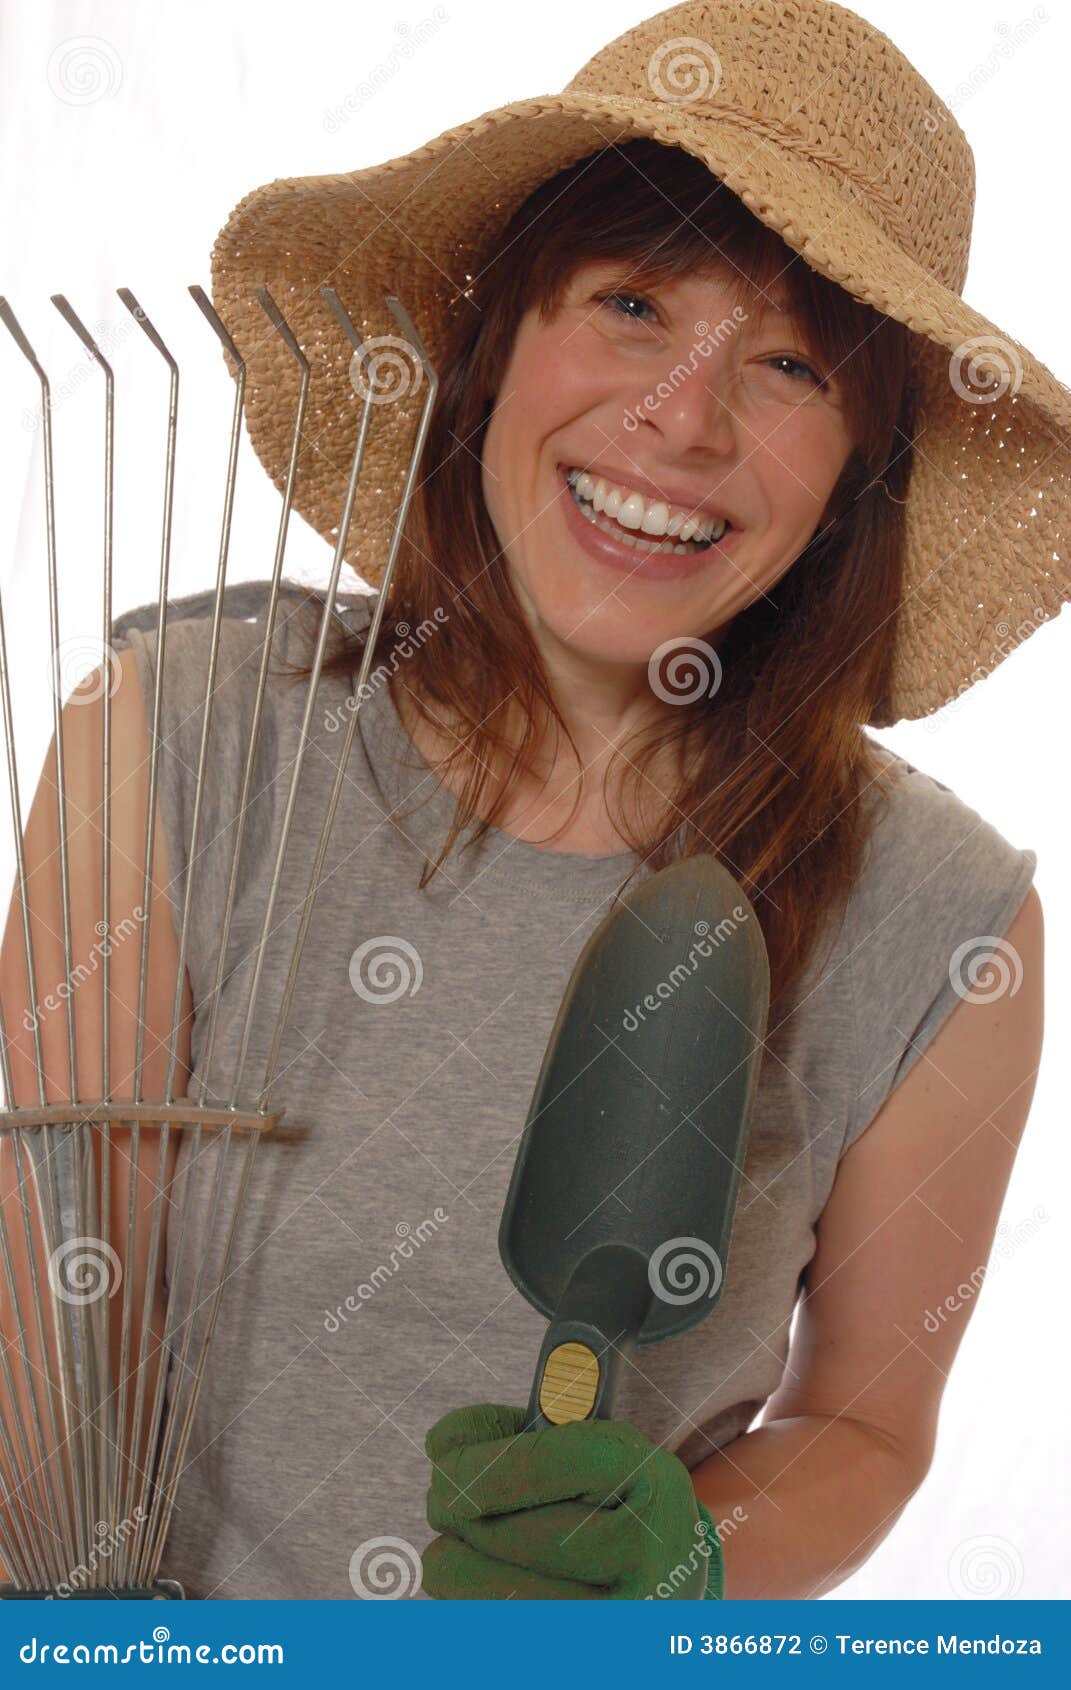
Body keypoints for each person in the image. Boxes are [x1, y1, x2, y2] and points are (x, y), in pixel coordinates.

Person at [2, 0, 1061, 1599]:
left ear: (862, 468)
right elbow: (51, 1306)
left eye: (788, 363)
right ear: (493, 342)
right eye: (632, 303)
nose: (684, 419)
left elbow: (865, 1417)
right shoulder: (181, 730)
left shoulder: (939, 915)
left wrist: (684, 1566)